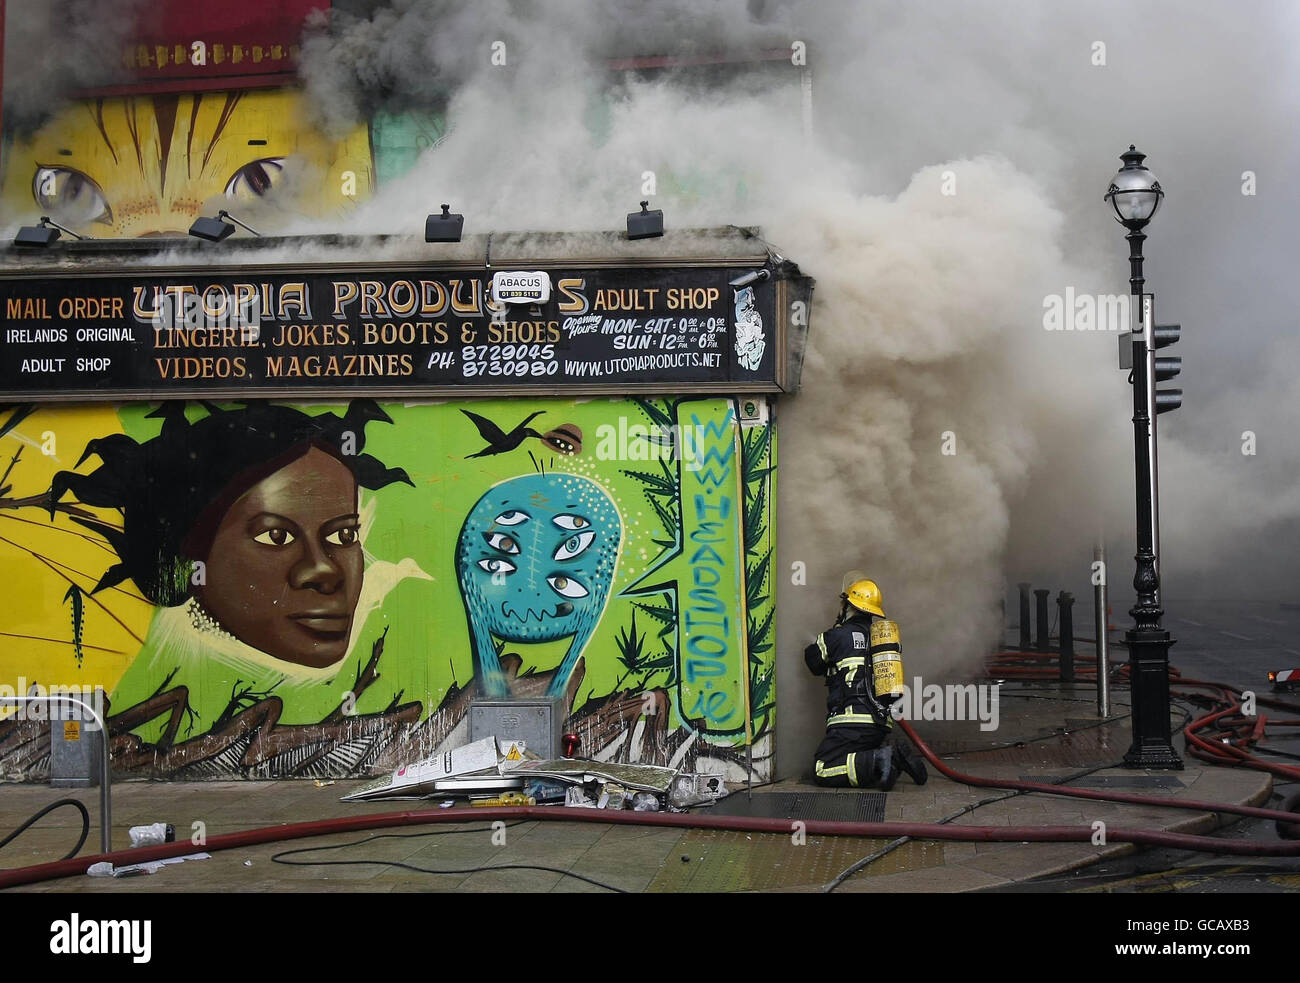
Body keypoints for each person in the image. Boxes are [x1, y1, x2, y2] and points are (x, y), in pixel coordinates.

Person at [804, 578, 928, 789]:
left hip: (851, 723)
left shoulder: (837, 637)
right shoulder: (882, 639)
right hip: (880, 725)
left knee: (822, 769)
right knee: (853, 758)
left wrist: (832, 632)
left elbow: (812, 661)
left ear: (849, 606)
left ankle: (881, 759)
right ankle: (886, 762)